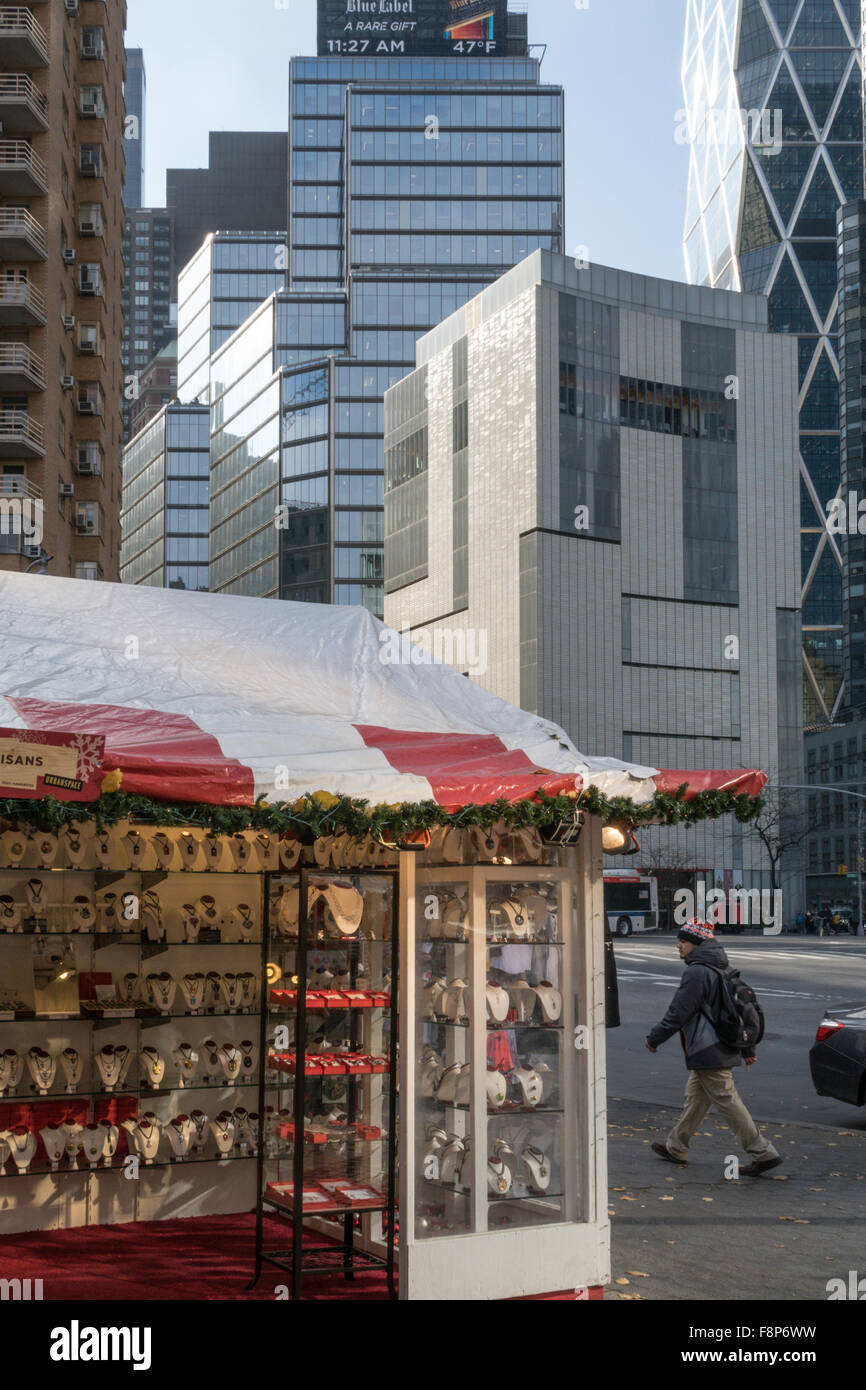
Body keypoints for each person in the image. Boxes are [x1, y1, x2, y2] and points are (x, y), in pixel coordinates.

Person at [644, 918, 781, 1176]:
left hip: (708, 1048)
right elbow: (735, 1012)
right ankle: (676, 1147)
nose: (679, 946)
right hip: (718, 1046)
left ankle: (763, 1152)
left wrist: (654, 1038)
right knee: (696, 1099)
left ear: (696, 943)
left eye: (683, 941)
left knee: (727, 1101)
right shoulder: (721, 966)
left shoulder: (697, 972)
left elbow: (678, 1012)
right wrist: (747, 1048)